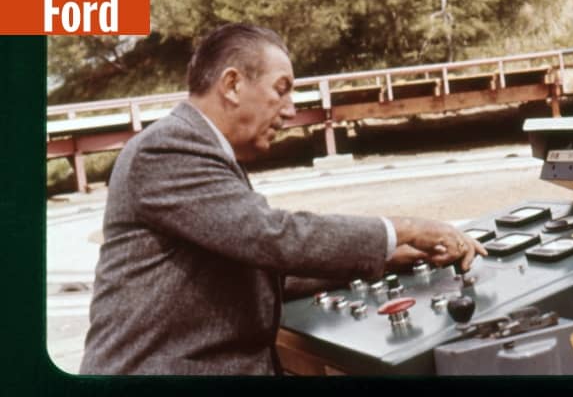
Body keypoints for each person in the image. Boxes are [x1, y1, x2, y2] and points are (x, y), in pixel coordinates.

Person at [80, 23, 486, 375]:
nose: (291, 111)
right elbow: (273, 237)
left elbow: (255, 271)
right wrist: (405, 229)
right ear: (233, 85)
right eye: (281, 90)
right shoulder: (167, 149)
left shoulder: (201, 149)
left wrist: (386, 258)